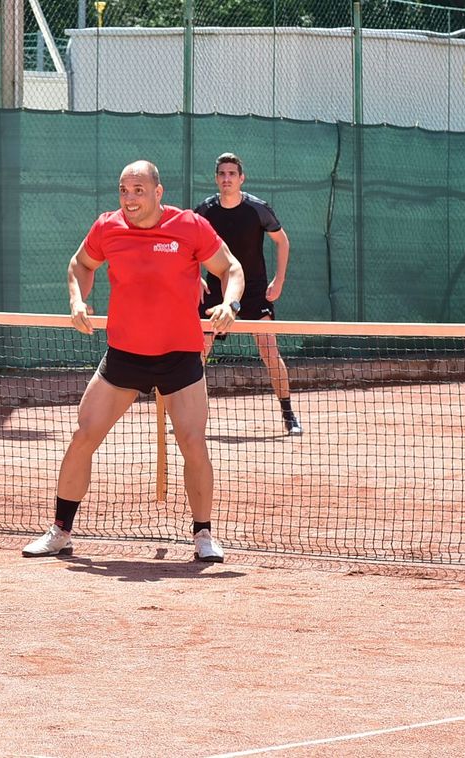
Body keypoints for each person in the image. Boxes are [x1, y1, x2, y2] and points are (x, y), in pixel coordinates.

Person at [22, 160, 245, 563]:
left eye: (138, 190)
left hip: (180, 357)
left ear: (158, 193)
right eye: (124, 190)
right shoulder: (107, 227)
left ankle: (203, 535)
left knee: (193, 443)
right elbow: (80, 264)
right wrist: (76, 300)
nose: (129, 198)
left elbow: (230, 267)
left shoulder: (189, 226)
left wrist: (230, 303)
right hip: (124, 355)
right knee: (83, 435)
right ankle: (60, 531)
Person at [196, 152, 301, 435]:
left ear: (241, 178)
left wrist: (279, 280)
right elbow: (188, 244)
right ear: (216, 179)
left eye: (232, 174)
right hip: (216, 287)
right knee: (198, 352)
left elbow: (282, 241)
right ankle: (192, 414)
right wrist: (195, 277)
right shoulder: (204, 211)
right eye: (222, 174)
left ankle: (289, 414)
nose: (226, 178)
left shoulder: (258, 209)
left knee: (269, 349)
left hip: (254, 290)